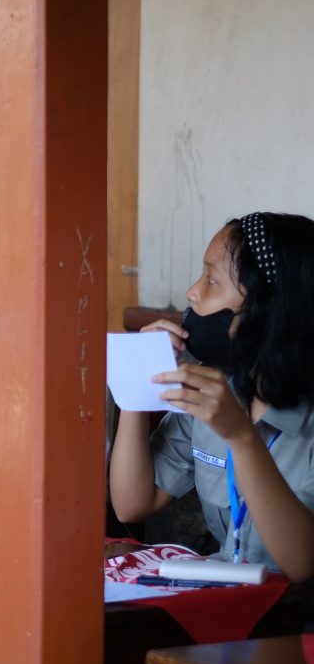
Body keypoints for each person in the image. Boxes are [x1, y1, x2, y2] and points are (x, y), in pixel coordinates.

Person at [110, 212, 314, 580]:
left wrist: (240, 436)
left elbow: (302, 565)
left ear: (271, 308)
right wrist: (140, 378)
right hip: (225, 607)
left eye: (213, 280)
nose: (192, 292)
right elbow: (131, 504)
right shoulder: (217, 388)